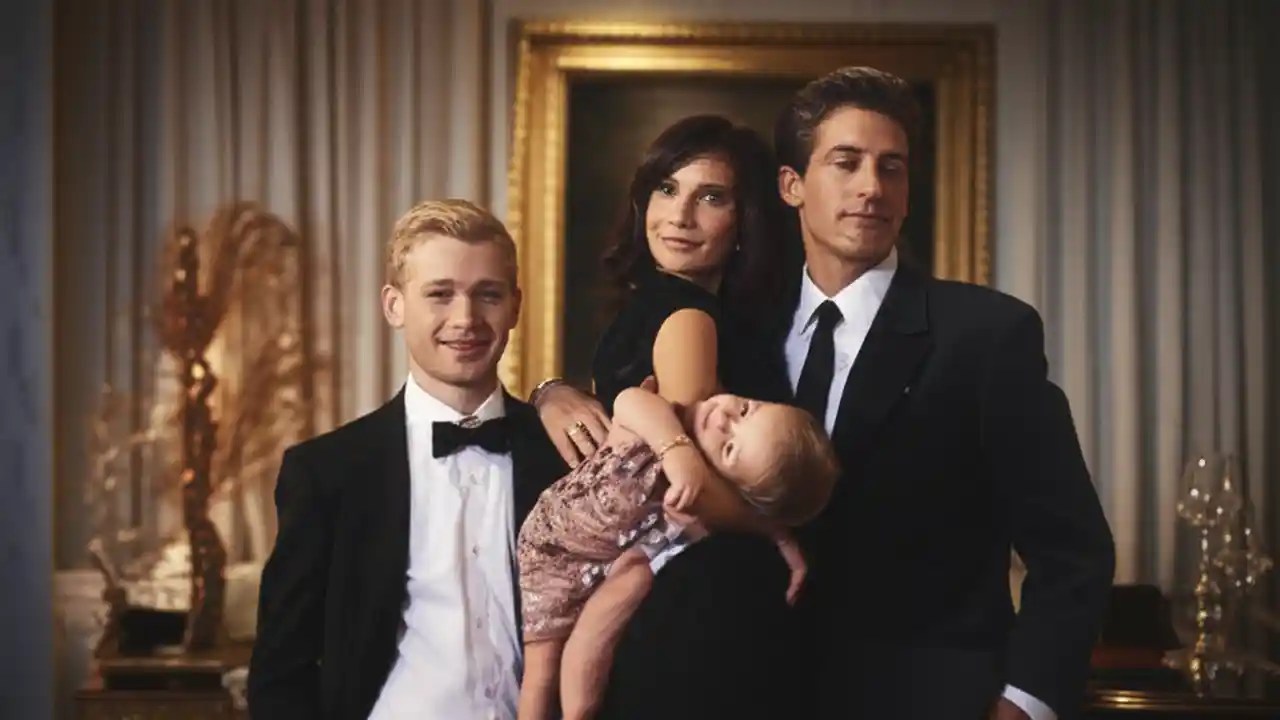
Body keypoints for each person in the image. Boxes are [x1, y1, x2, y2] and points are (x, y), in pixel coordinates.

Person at [537, 67, 1116, 720]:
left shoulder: (986, 335)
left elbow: (1073, 553)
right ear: (791, 185)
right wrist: (549, 392)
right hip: (741, 686)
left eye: (892, 167)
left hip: (923, 700)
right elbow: (640, 435)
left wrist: (1025, 705)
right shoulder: (736, 325)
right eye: (846, 163)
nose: (872, 187)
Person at [531, 114, 807, 719]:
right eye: (667, 188)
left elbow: (679, 484)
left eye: (710, 197)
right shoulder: (682, 313)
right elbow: (682, 479)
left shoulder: (675, 314)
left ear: (744, 223)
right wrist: (778, 532)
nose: (680, 215)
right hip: (683, 596)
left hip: (687, 599)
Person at [248, 199, 566, 720]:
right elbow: (281, 670)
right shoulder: (327, 472)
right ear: (394, 306)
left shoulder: (564, 454)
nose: (465, 319)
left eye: (487, 294)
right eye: (440, 294)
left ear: (515, 305)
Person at [516, 387, 837, 720]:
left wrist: (778, 536)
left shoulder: (698, 501)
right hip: (551, 544)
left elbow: (736, 518)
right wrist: (675, 448)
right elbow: (628, 400)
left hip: (602, 566)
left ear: (735, 489)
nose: (724, 418)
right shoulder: (667, 416)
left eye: (729, 448)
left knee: (590, 664)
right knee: (541, 671)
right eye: (745, 409)